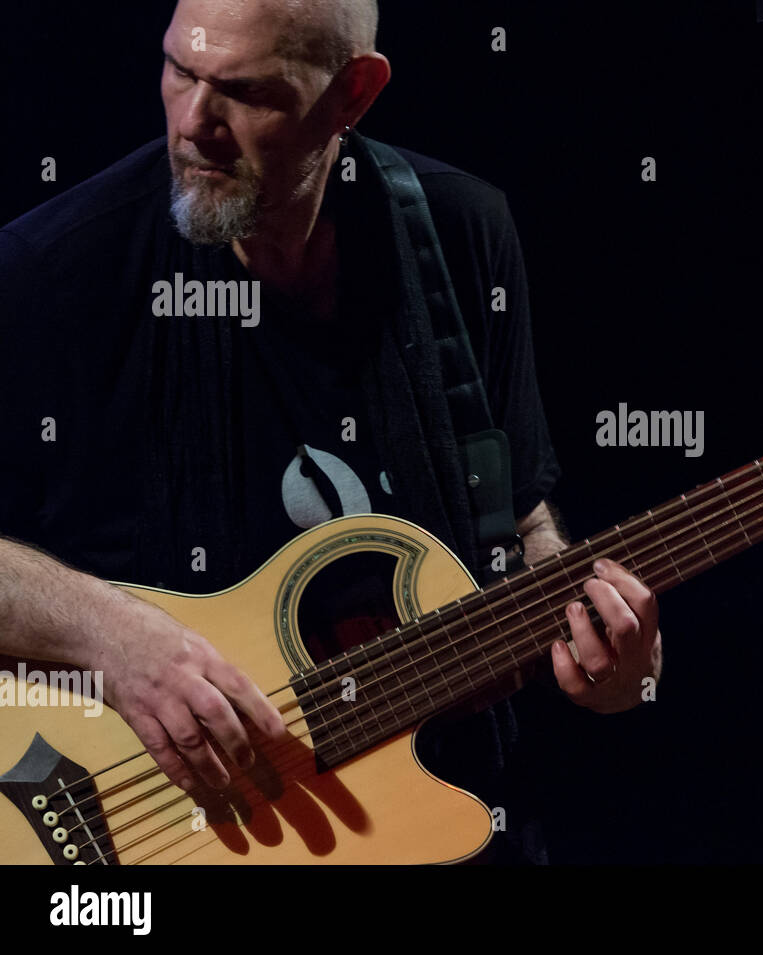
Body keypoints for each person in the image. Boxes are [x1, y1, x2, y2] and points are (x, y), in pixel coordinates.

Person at [0, 0, 663, 864]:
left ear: (353, 93)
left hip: (439, 825)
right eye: (179, 71)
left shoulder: (463, 233)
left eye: (244, 91)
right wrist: (114, 641)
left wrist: (616, 660)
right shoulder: (52, 274)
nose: (193, 125)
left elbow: (518, 523)